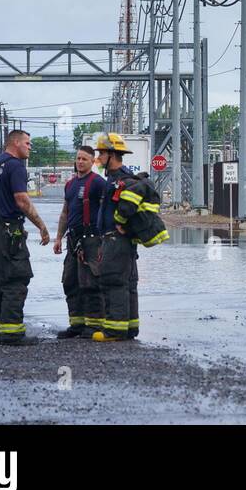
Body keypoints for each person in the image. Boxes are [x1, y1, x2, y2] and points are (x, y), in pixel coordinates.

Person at [0, 130, 50, 346]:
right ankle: (12, 334)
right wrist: (42, 227)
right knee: (14, 280)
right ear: (16, 143)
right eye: (27, 143)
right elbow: (22, 201)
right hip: (10, 232)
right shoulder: (16, 166)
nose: (30, 147)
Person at [91, 133, 167, 342]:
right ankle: (129, 328)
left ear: (112, 155)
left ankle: (115, 331)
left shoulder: (120, 180)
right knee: (127, 283)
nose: (98, 158)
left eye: (102, 153)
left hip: (116, 240)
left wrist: (121, 222)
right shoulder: (115, 179)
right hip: (119, 241)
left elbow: (129, 204)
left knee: (113, 281)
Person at [54, 146, 106, 338]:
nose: (80, 162)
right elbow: (65, 212)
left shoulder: (98, 183)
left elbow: (105, 212)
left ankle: (94, 325)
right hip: (73, 240)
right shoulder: (70, 184)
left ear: (93, 162)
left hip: (92, 240)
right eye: (78, 158)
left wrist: (103, 242)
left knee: (91, 283)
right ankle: (76, 324)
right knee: (70, 281)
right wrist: (58, 237)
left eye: (85, 159)